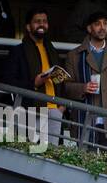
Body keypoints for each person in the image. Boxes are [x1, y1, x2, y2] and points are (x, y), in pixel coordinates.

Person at [63, 9, 107, 152]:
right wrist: (83, 88)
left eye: (105, 23)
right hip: (85, 120)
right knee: (84, 164)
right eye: (97, 24)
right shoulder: (74, 55)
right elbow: (66, 87)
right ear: (89, 28)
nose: (102, 27)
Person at [4, 9, 69, 146]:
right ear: (28, 27)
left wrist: (62, 105)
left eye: (44, 21)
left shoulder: (52, 50)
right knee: (32, 152)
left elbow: (60, 80)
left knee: (53, 154)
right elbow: (9, 81)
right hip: (32, 109)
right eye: (37, 21)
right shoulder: (18, 51)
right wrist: (33, 83)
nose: (42, 25)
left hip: (55, 110)